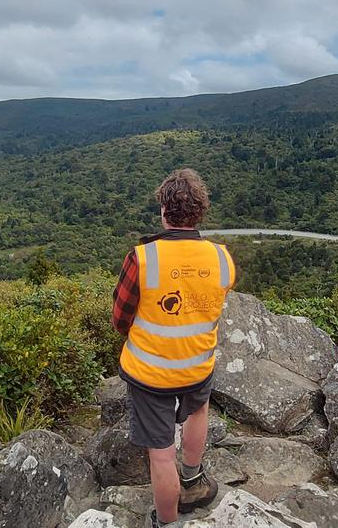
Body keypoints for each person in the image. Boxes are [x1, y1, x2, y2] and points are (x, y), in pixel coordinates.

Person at [112, 169, 236, 527]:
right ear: (200, 213)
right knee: (198, 413)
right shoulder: (222, 258)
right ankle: (194, 479)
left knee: (161, 453)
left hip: (150, 373)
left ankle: (166, 522)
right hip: (198, 365)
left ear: (164, 211)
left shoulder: (143, 258)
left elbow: (120, 318)